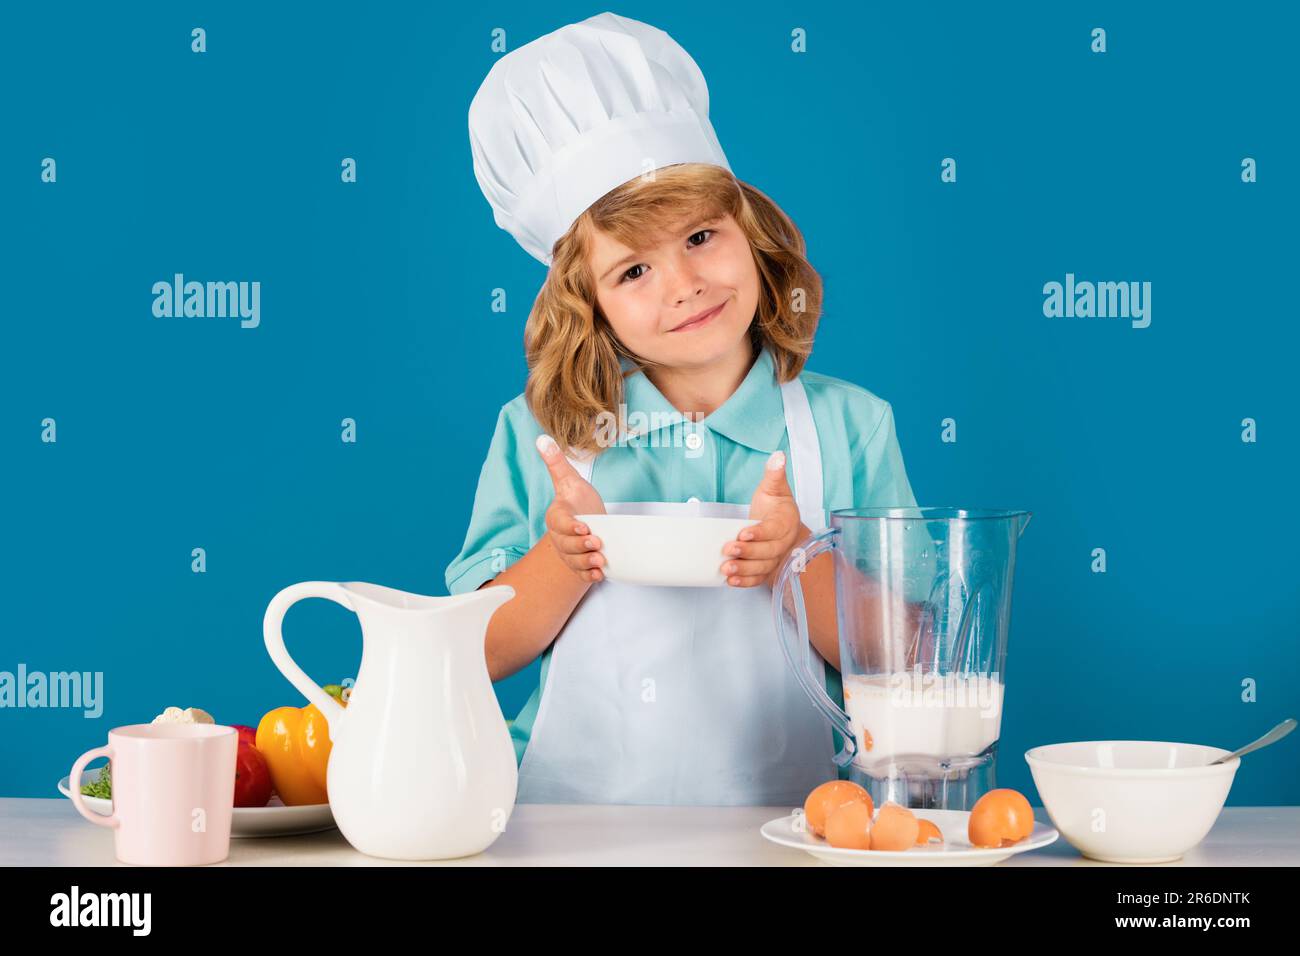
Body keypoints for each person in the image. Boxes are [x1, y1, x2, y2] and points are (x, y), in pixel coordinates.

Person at [448, 12, 919, 806]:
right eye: (633, 271)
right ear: (587, 304)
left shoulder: (850, 426)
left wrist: (798, 561)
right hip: (563, 832)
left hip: (802, 829)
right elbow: (471, 652)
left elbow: (909, 654)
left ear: (755, 235)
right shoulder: (540, 435)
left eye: (701, 236)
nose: (683, 285)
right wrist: (565, 559)